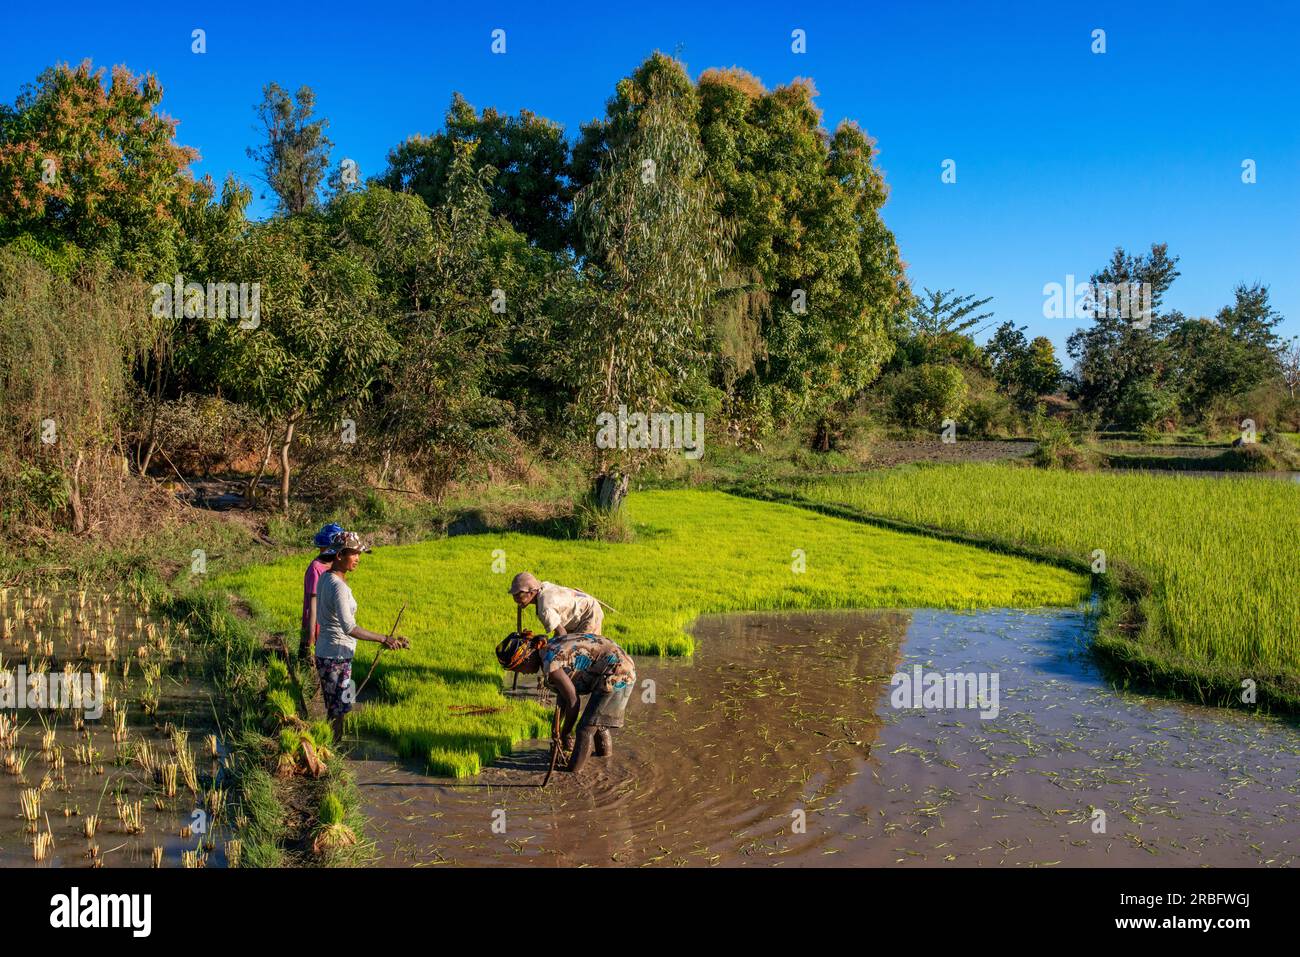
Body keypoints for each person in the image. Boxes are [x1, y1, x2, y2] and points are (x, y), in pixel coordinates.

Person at [315, 530, 410, 742]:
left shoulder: (326, 578)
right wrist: (384, 638)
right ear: (339, 555)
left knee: (339, 708)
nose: (358, 558)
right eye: (354, 553)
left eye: (360, 554)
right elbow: (349, 627)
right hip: (335, 657)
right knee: (337, 711)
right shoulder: (338, 587)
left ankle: (332, 749)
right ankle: (331, 752)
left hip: (332, 653)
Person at [495, 630, 635, 773]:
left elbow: (573, 701)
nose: (523, 673)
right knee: (597, 722)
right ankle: (605, 760)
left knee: (584, 730)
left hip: (618, 672)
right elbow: (563, 695)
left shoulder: (550, 662)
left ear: (526, 659)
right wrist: (556, 728)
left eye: (519, 669)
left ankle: (573, 774)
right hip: (616, 665)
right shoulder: (546, 648)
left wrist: (566, 733)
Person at [508, 572, 606, 638]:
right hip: (577, 611)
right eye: (514, 595)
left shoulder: (545, 608)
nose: (515, 599)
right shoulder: (542, 587)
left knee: (583, 651)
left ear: (531, 592)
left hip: (589, 613)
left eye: (518, 595)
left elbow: (562, 633)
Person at [300, 522, 344, 661]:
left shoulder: (336, 567)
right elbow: (313, 604)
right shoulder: (316, 568)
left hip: (331, 627)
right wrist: (311, 637)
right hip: (317, 627)